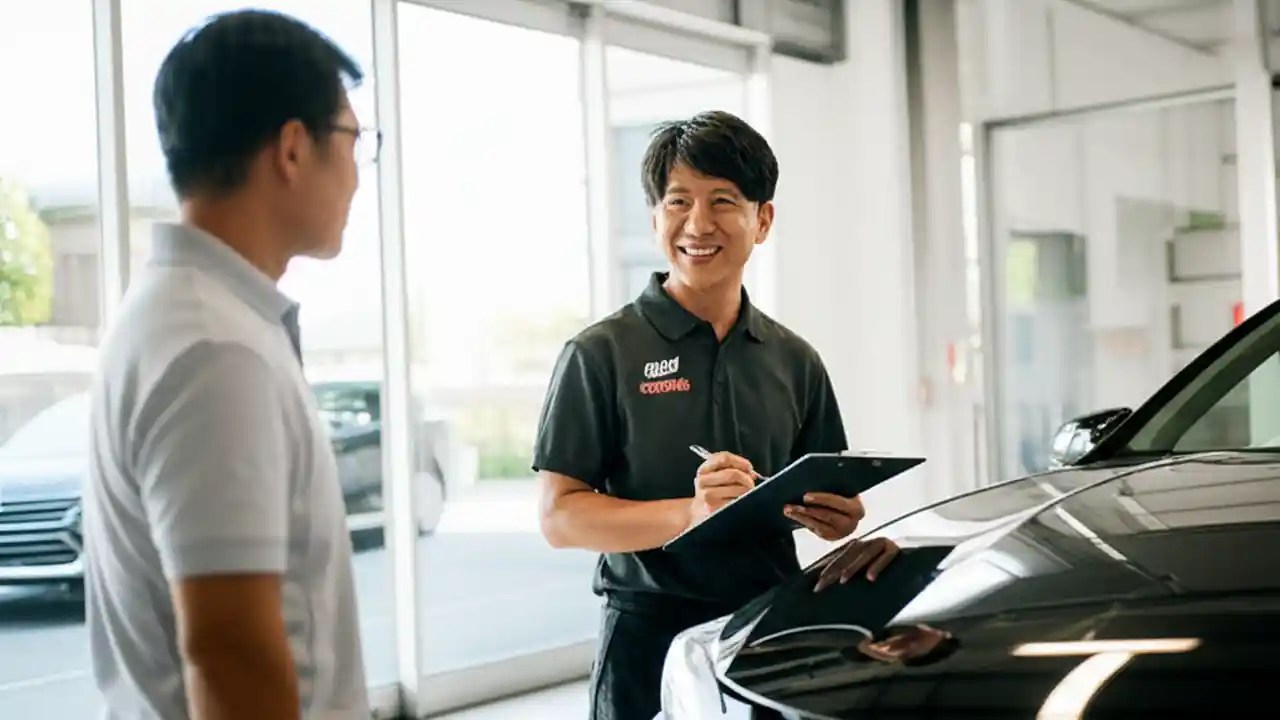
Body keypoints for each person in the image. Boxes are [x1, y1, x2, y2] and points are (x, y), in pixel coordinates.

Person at [532, 110, 899, 720]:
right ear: (655, 219)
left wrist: (835, 519)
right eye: (678, 201)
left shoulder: (793, 358)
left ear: (763, 219)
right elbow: (559, 517)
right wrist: (692, 513)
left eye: (723, 200)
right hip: (647, 638)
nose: (697, 223)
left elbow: (820, 493)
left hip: (766, 630)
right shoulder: (600, 353)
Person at [84, 10, 377, 719]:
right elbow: (230, 653)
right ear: (293, 147)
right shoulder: (215, 352)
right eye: (353, 141)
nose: (357, 177)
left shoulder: (184, 315)